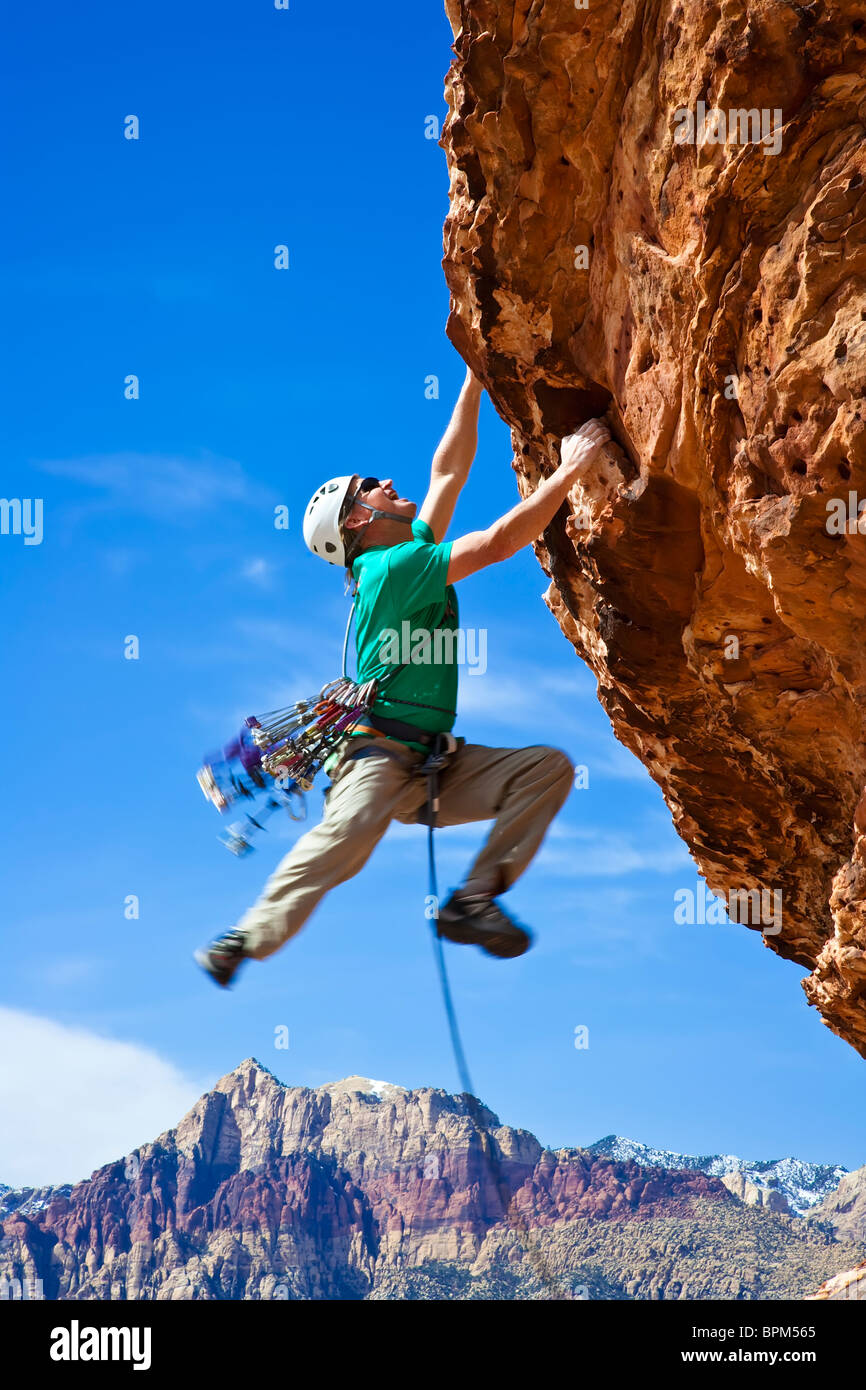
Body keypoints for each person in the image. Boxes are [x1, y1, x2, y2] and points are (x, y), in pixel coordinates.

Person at [195, 368, 610, 987]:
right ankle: (246, 937)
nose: (388, 483)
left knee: (545, 769)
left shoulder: (405, 552)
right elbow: (497, 543)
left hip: (430, 765)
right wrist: (569, 473)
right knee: (350, 833)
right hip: (378, 758)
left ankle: (473, 900)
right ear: (357, 522)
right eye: (371, 488)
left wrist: (474, 379)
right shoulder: (391, 570)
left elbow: (447, 472)